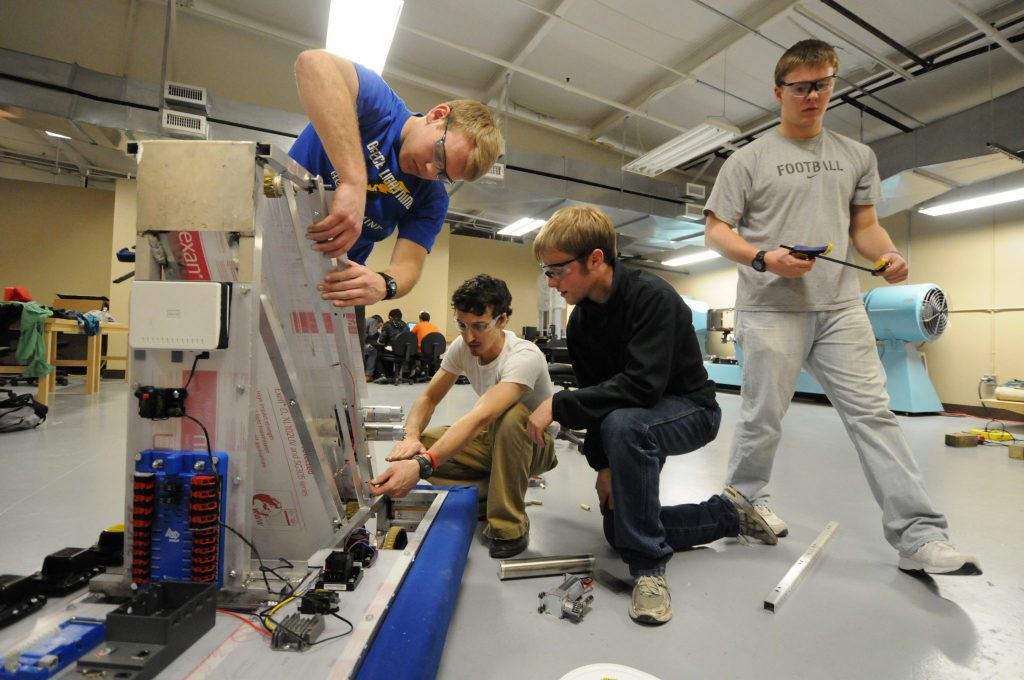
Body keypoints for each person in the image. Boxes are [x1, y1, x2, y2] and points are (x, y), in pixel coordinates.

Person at [703, 39, 980, 576]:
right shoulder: (749, 158)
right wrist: (763, 258)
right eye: (802, 86)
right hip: (770, 307)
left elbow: (864, 228)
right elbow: (717, 231)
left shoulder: (857, 156)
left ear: (833, 86)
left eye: (823, 84)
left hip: (839, 308)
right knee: (762, 419)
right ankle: (742, 507)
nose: (813, 96)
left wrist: (891, 254)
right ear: (779, 91)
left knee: (876, 416)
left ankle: (919, 538)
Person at [526, 206, 777, 626]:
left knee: (627, 427)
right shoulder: (582, 323)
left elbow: (642, 388)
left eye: (557, 270)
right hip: (638, 417)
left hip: (691, 409)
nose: (551, 282)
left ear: (595, 259)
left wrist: (558, 403)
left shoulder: (653, 297)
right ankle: (729, 516)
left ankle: (649, 569)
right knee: (618, 530)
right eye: (546, 271)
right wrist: (603, 465)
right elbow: (599, 400)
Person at [290, 50, 503, 335]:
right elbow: (313, 63)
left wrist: (384, 284)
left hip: (333, 287)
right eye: (438, 156)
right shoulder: (381, 107)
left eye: (443, 174)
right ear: (438, 115)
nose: (429, 171)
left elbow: (408, 267)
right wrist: (353, 182)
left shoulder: (431, 198)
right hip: (273, 245)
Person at [369, 275, 557, 559]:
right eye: (462, 325)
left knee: (511, 415)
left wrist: (423, 465)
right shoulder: (462, 346)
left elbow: (482, 415)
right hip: (493, 436)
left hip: (534, 443)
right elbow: (429, 397)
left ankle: (510, 526)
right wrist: (411, 438)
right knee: (423, 444)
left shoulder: (523, 356)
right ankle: (490, 493)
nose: (469, 337)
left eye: (479, 326)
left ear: (502, 320)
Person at [374, 309, 409, 383]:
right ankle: (395, 376)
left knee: (377, 353)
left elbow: (381, 340)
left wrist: (379, 337)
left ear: (390, 317)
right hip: (403, 351)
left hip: (392, 350)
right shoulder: (406, 325)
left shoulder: (387, 324)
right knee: (393, 353)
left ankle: (383, 375)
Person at [364, 314, 384, 381]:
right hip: (363, 345)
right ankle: (368, 375)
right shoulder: (373, 321)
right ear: (378, 321)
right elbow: (372, 334)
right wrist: (380, 333)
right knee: (373, 351)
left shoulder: (367, 320)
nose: (379, 327)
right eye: (380, 325)